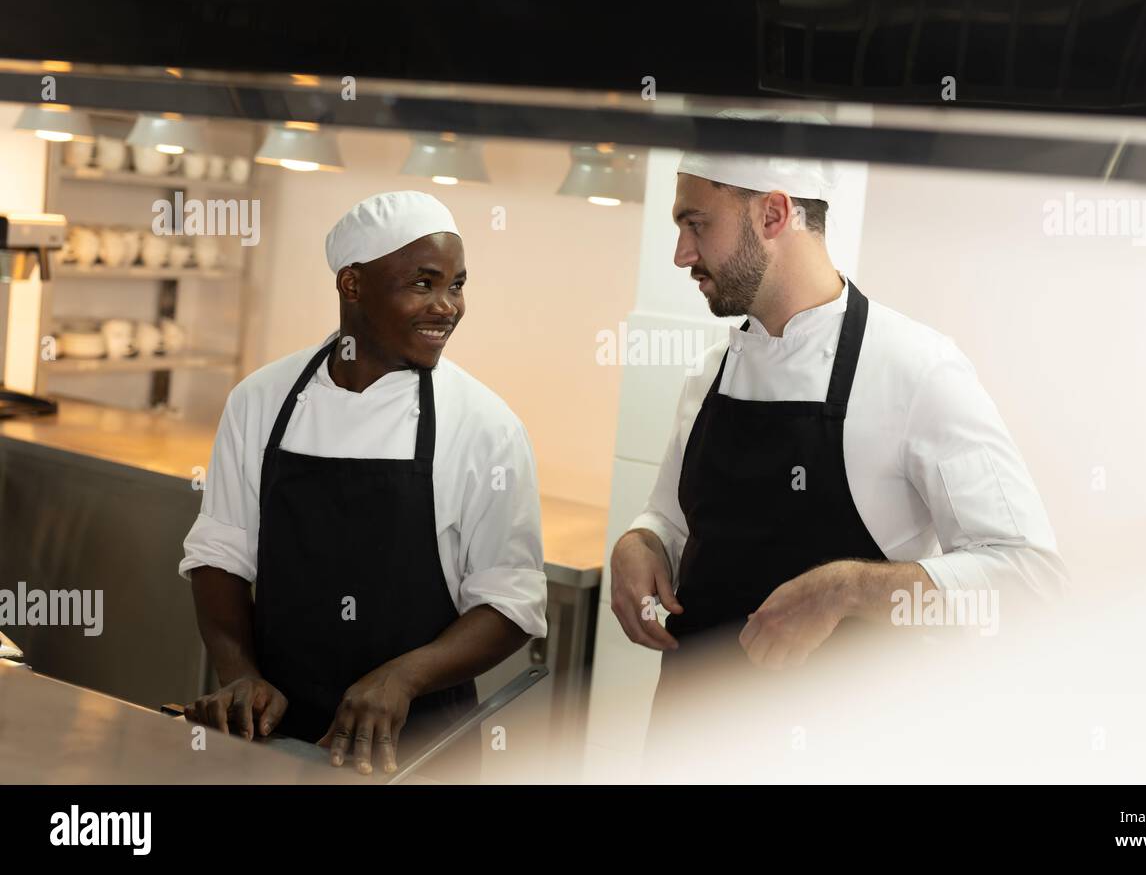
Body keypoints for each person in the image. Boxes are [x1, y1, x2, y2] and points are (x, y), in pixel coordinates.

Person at [608, 145, 1068, 754]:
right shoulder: (710, 371)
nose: (681, 254)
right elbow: (667, 520)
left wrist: (847, 588)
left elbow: (1031, 580)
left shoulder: (917, 370)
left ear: (774, 215)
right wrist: (637, 543)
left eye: (696, 224)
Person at [179, 191, 546, 777]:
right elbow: (219, 555)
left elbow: (511, 603)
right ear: (352, 285)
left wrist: (403, 677)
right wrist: (240, 675)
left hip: (419, 754)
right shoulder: (261, 400)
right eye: (423, 284)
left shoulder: (485, 427)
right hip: (275, 738)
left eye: (457, 285)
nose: (447, 307)